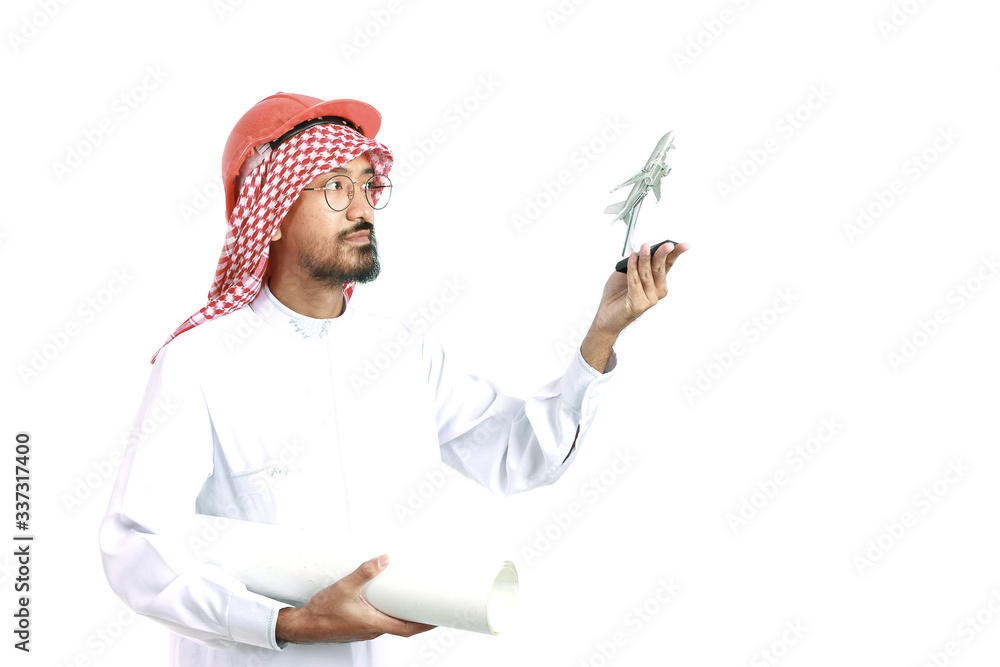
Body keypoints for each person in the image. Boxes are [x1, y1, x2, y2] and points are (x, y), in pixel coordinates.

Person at [98, 92, 689, 667]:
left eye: (366, 185)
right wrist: (285, 625)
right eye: (334, 187)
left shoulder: (401, 349)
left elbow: (520, 455)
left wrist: (601, 337)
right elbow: (136, 547)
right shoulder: (201, 362)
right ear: (267, 212)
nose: (362, 209)